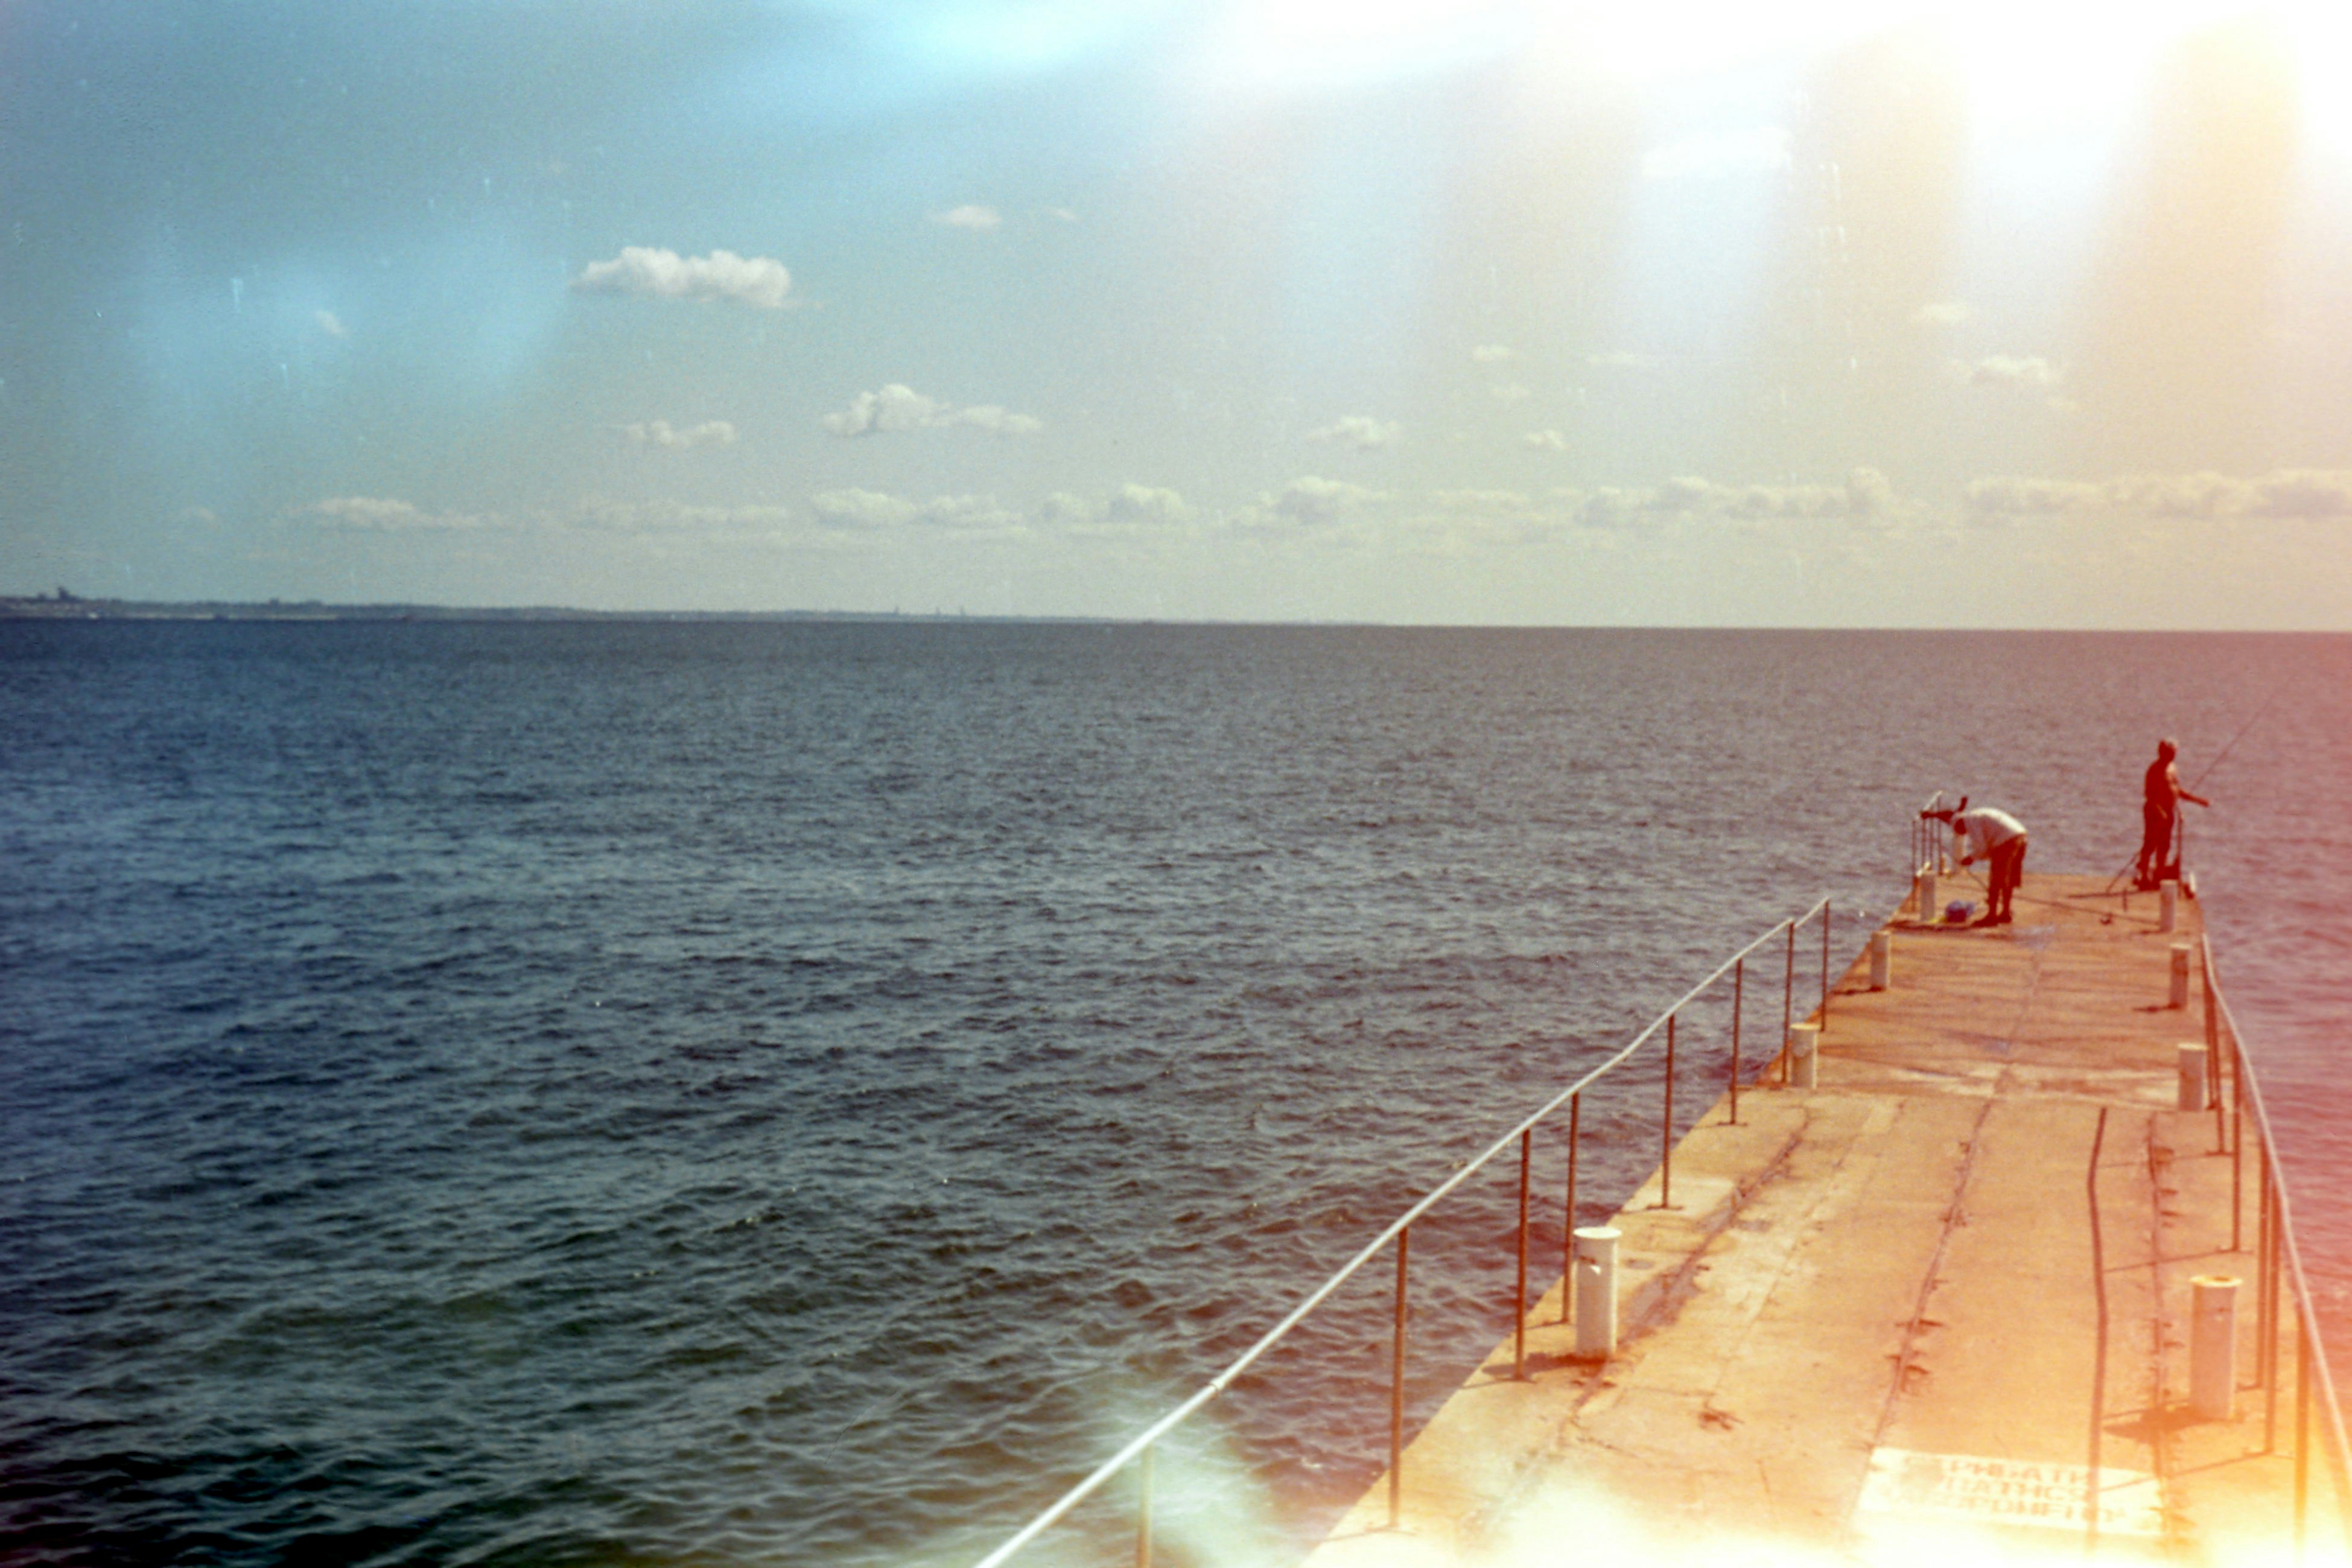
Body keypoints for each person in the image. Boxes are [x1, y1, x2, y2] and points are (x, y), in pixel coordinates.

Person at [1930, 801, 2029, 925]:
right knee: (2007, 878)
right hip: (2020, 835)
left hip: (2006, 840)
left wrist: (1970, 859)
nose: (1963, 834)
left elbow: (1982, 848)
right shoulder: (1976, 816)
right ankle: (2006, 913)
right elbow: (1986, 849)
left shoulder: (1970, 821)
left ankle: (1992, 916)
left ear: (1959, 824)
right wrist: (1932, 815)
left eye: (1960, 831)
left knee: (1996, 879)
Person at [2135, 738, 2209, 890]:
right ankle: (2143, 877)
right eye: (2170, 753)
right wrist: (2160, 811)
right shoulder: (2154, 769)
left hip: (2169, 812)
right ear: (2162, 752)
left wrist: (2198, 800)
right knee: (2150, 843)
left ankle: (2158, 878)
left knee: (2164, 846)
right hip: (2154, 812)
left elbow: (2177, 790)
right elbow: (2149, 794)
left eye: (2174, 753)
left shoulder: (2173, 768)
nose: (2173, 755)